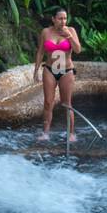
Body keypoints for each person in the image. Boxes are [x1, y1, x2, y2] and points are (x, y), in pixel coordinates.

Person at [32, 7, 82, 142]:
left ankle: (71, 133)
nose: (63, 21)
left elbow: (78, 50)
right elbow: (40, 52)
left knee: (67, 103)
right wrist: (36, 71)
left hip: (66, 71)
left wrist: (69, 37)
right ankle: (45, 133)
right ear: (53, 19)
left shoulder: (70, 30)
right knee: (48, 103)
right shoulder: (46, 32)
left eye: (65, 18)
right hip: (50, 69)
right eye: (60, 18)